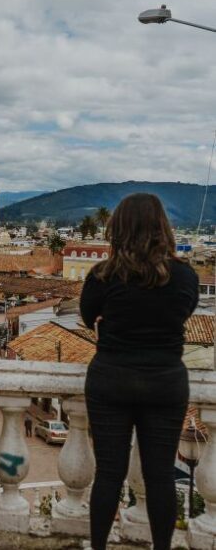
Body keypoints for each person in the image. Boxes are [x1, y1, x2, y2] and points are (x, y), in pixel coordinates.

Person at [80, 193, 198, 550]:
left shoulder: (102, 275)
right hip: (165, 381)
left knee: (109, 474)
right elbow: (184, 313)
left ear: (118, 228)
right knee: (160, 475)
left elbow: (89, 317)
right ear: (163, 228)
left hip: (111, 379)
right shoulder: (185, 276)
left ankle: (99, 546)